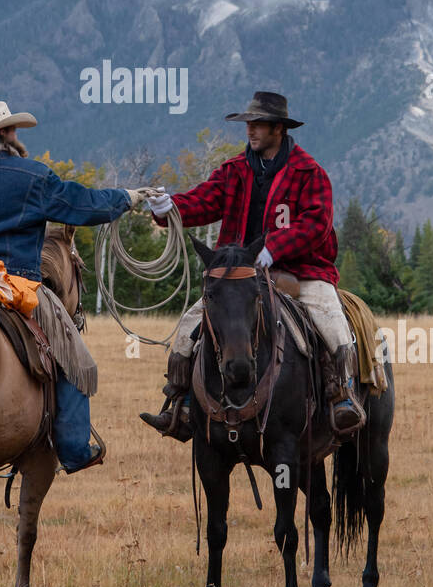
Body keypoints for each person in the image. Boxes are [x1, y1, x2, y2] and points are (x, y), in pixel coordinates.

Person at [0, 100, 149, 473]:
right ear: (5, 135)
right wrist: (126, 198)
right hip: (15, 282)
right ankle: (75, 446)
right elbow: (84, 206)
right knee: (76, 359)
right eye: (14, 129)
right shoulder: (32, 176)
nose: (18, 136)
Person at [139, 89, 365, 441]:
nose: (250, 130)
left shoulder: (310, 173)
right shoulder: (234, 171)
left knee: (331, 322)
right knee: (187, 328)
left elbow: (317, 223)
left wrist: (275, 248)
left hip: (303, 272)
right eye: (249, 124)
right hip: (239, 276)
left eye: (258, 124)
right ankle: (181, 405)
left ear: (279, 129)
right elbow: (203, 200)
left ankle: (342, 397)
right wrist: (171, 208)